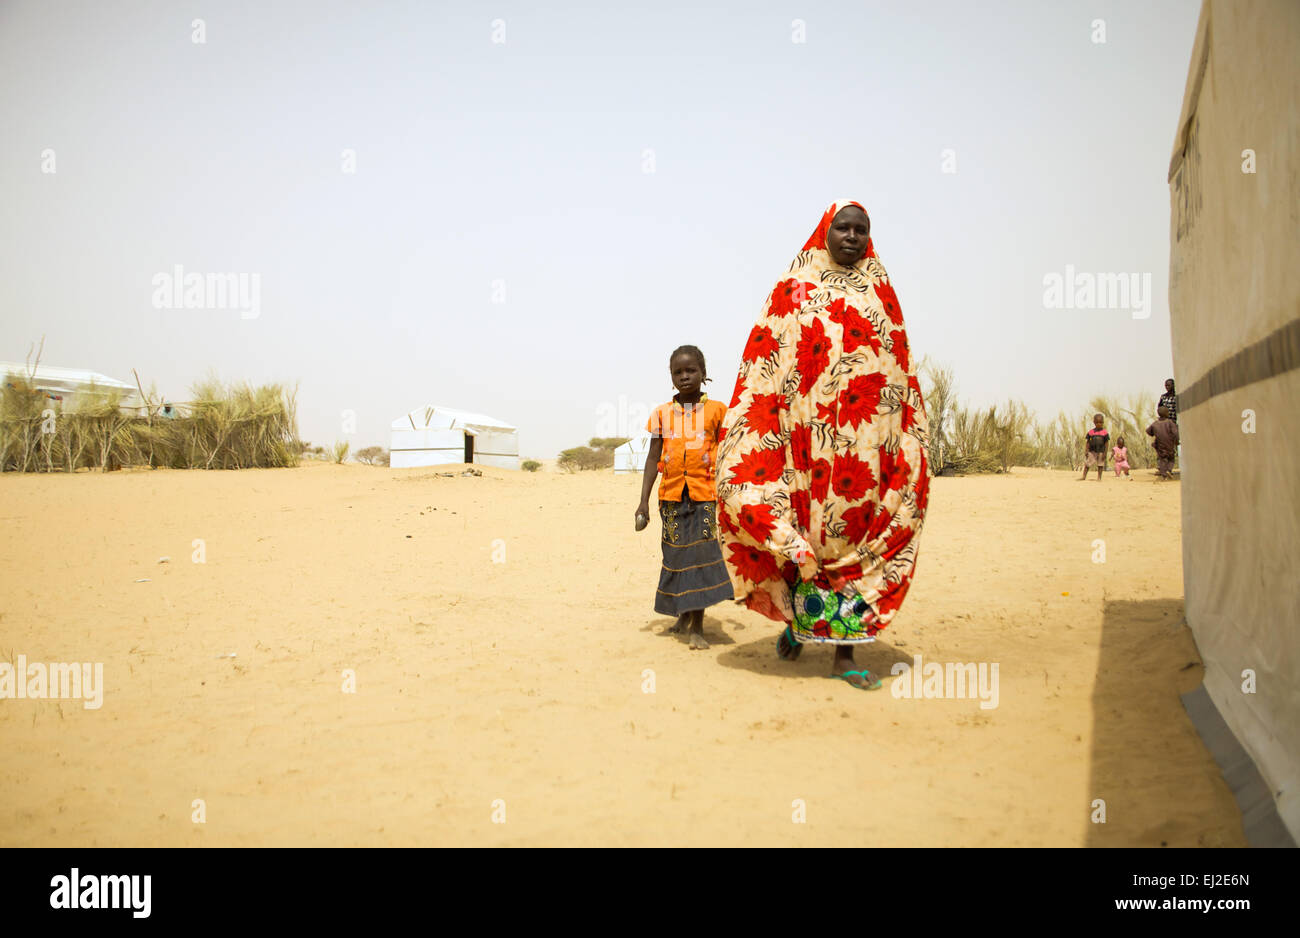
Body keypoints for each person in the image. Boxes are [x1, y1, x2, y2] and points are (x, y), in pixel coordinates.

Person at [715, 200, 930, 690]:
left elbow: (897, 368)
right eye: (843, 228)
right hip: (803, 445)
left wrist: (902, 439)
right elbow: (767, 358)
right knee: (806, 541)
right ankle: (801, 622)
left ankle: (844, 657)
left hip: (865, 448)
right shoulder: (793, 290)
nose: (852, 237)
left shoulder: (881, 295)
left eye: (861, 230)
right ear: (824, 232)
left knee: (853, 541)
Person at [635, 345, 734, 649]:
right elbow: (653, 459)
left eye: (691, 370)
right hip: (672, 498)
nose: (685, 376)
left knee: (700, 557)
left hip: (706, 496)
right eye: (678, 372)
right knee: (676, 557)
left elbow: (731, 451)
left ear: (704, 373)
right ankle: (682, 615)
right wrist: (643, 502)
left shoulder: (718, 411)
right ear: (671, 377)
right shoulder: (661, 414)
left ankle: (697, 628)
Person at [1147, 405, 1180, 479]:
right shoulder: (1170, 422)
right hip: (1169, 445)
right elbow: (1175, 433)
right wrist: (1177, 441)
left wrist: (1154, 433)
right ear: (1166, 414)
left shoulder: (1155, 424)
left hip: (1160, 446)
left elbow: (1148, 431)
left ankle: (1163, 473)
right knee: (1171, 458)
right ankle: (1169, 470)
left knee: (1162, 459)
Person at [1081, 414, 1109, 481]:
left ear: (1103, 422)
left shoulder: (1105, 433)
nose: (1099, 424)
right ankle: (1083, 477)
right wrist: (1086, 450)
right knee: (1087, 464)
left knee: (1100, 465)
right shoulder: (1091, 432)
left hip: (1101, 451)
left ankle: (1099, 478)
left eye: (1100, 422)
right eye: (1097, 422)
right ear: (1094, 422)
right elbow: (1088, 442)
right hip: (1092, 451)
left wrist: (1105, 452)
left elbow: (1106, 443)